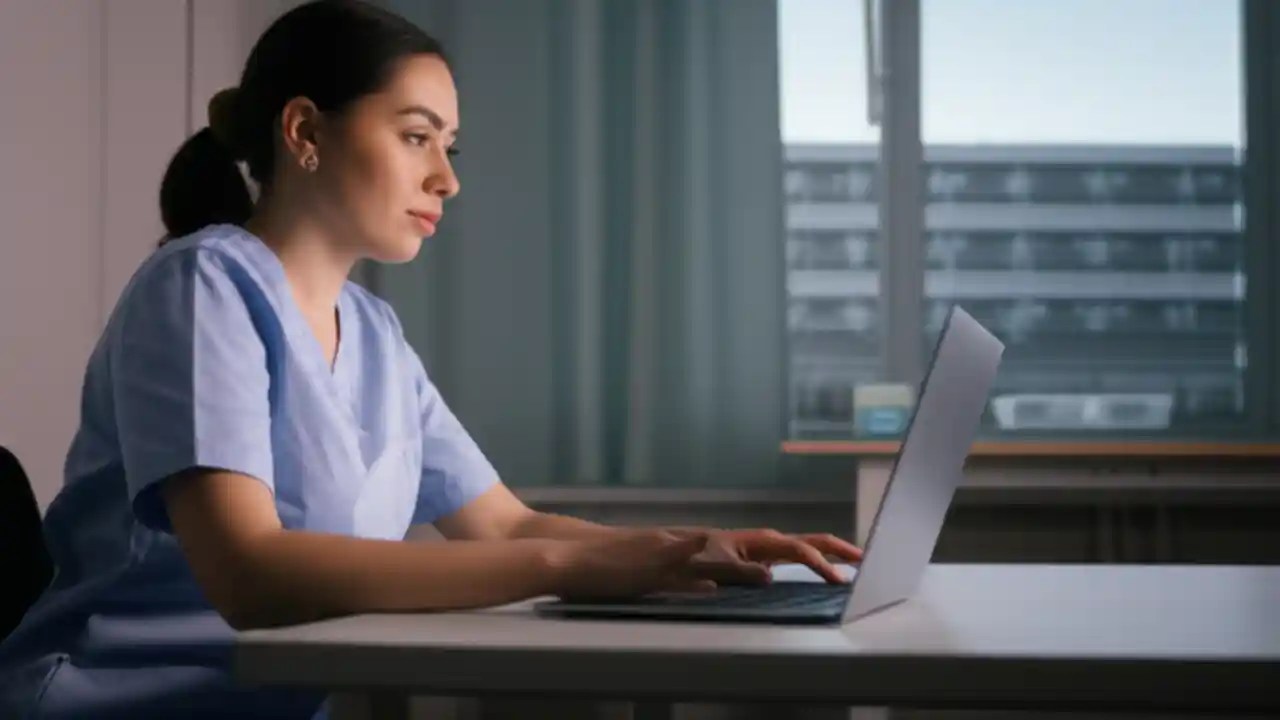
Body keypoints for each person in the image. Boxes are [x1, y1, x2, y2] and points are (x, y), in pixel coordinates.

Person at [0, 1, 861, 718]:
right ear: (304, 131)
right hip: (114, 704)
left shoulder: (374, 334)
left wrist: (684, 550)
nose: (447, 177)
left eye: (451, 146)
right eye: (418, 137)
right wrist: (578, 566)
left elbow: (507, 525)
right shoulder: (200, 286)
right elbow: (251, 574)